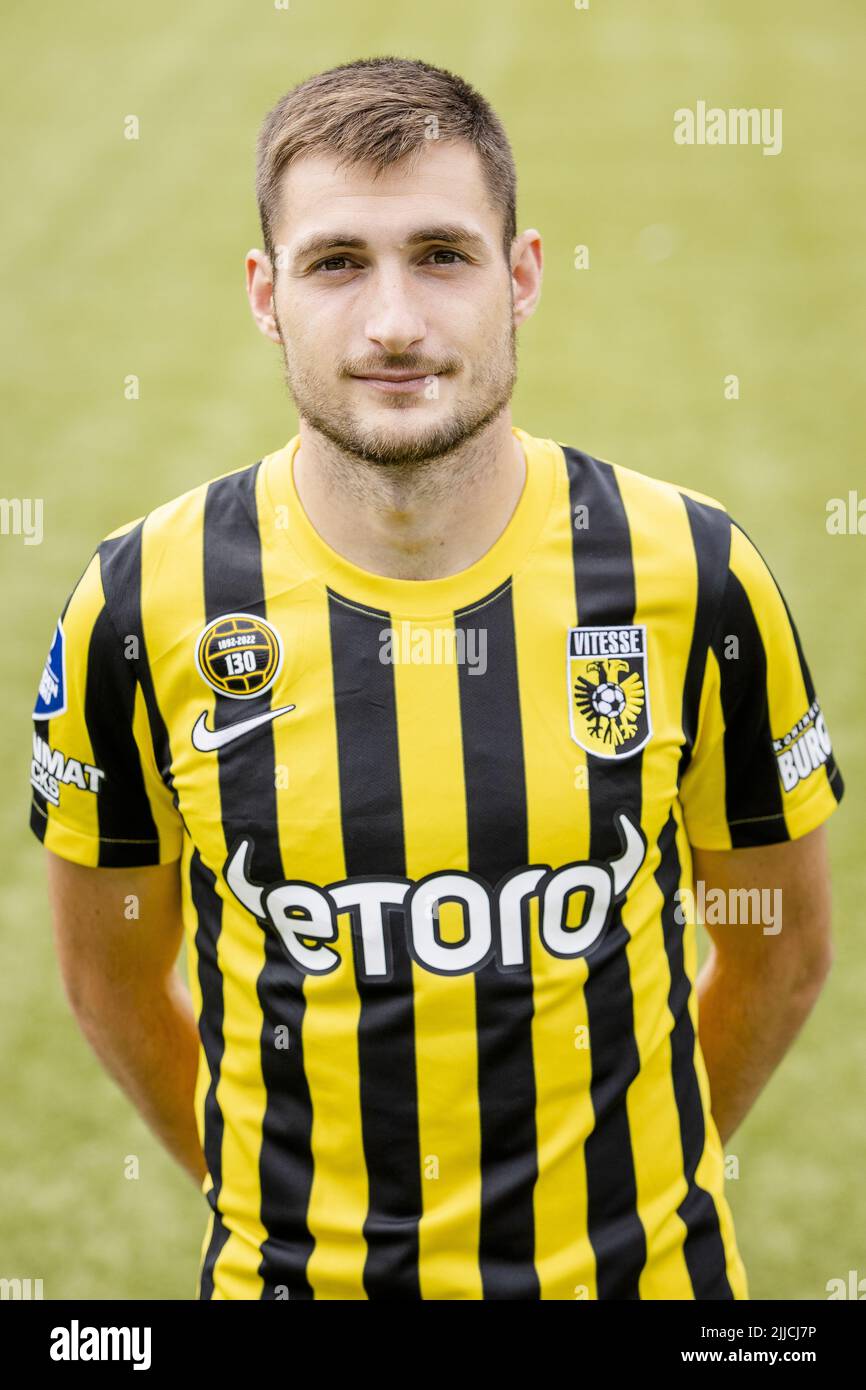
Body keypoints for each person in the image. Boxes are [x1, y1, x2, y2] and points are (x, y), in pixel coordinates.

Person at [29, 55, 844, 1301]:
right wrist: (272, 1210)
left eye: (443, 255)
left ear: (519, 276)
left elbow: (777, 951)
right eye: (337, 262)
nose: (394, 322)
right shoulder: (137, 608)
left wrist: (631, 1192)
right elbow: (111, 976)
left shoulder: (696, 573)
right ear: (266, 293)